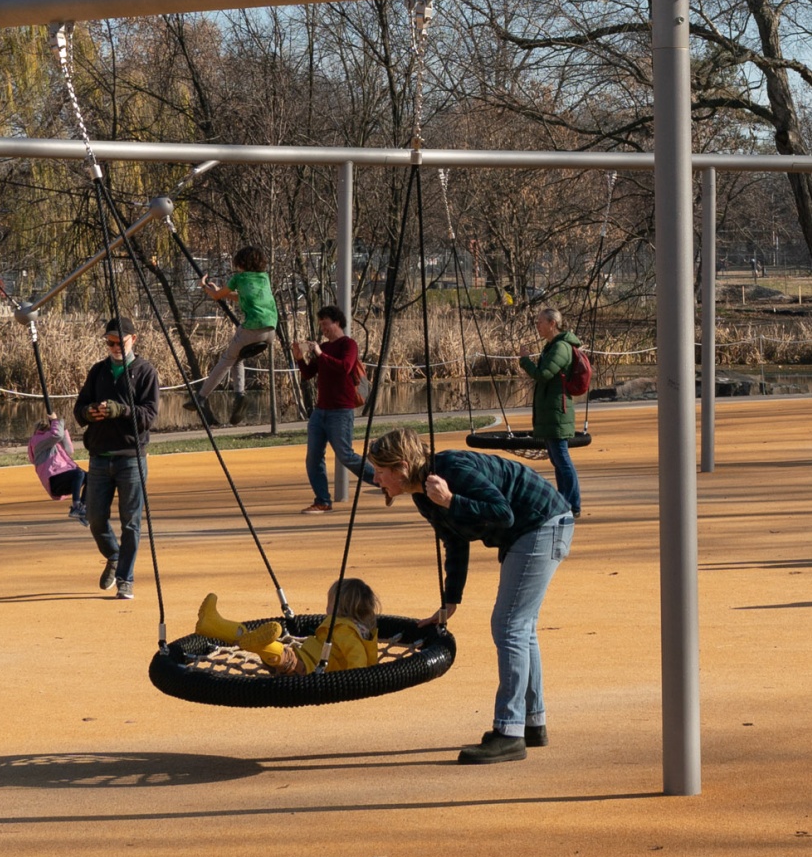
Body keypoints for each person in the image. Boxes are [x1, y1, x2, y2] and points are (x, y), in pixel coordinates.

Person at [366, 428, 574, 765]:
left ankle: (509, 733)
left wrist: (451, 500)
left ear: (402, 466)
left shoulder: (451, 470)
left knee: (509, 626)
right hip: (532, 529)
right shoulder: (423, 495)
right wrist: (450, 601)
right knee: (521, 628)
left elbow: (502, 512)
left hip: (541, 522)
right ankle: (532, 723)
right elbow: (455, 540)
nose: (375, 479)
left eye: (379, 470)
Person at [74, 317, 160, 600]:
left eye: (119, 342)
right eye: (109, 342)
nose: (114, 348)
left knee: (131, 523)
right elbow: (79, 408)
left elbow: (149, 416)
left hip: (131, 459)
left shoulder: (145, 372)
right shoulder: (98, 371)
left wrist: (120, 410)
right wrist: (89, 413)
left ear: (133, 339)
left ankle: (125, 578)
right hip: (99, 457)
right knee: (94, 518)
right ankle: (114, 555)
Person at [195, 578, 380, 675]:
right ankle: (213, 625)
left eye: (329, 604)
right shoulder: (345, 628)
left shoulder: (346, 631)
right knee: (273, 651)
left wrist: (353, 681)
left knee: (286, 658)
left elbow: (357, 658)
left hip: (311, 669)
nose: (326, 608)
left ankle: (264, 646)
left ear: (340, 608)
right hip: (307, 661)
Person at [292, 304, 377, 514]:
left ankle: (382, 481)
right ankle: (322, 500)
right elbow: (309, 374)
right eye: (321, 325)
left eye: (326, 324)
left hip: (341, 411)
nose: (323, 329)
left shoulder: (348, 344)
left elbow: (344, 367)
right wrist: (299, 358)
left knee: (346, 455)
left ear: (337, 322)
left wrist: (320, 354)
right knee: (313, 458)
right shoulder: (324, 347)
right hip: (320, 411)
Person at [189, 246, 279, 425]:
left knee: (226, 360)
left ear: (241, 263)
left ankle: (201, 397)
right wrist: (222, 293)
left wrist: (205, 286)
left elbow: (216, 296)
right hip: (270, 331)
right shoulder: (264, 278)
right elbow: (243, 297)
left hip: (253, 329)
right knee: (237, 358)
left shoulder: (239, 278)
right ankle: (239, 396)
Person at [519, 307, 584, 516]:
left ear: (552, 323)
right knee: (557, 460)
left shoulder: (561, 347)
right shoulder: (551, 347)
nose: (537, 326)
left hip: (557, 412)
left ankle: (572, 504)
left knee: (562, 459)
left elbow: (544, 374)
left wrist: (525, 360)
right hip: (551, 411)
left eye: (540, 322)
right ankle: (565, 502)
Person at [27, 413, 86, 523]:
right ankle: (76, 505)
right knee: (79, 474)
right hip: (54, 480)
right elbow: (56, 435)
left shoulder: (54, 442)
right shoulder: (37, 440)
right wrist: (55, 421)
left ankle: (82, 508)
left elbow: (69, 450)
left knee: (91, 477)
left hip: (63, 478)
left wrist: (64, 429)